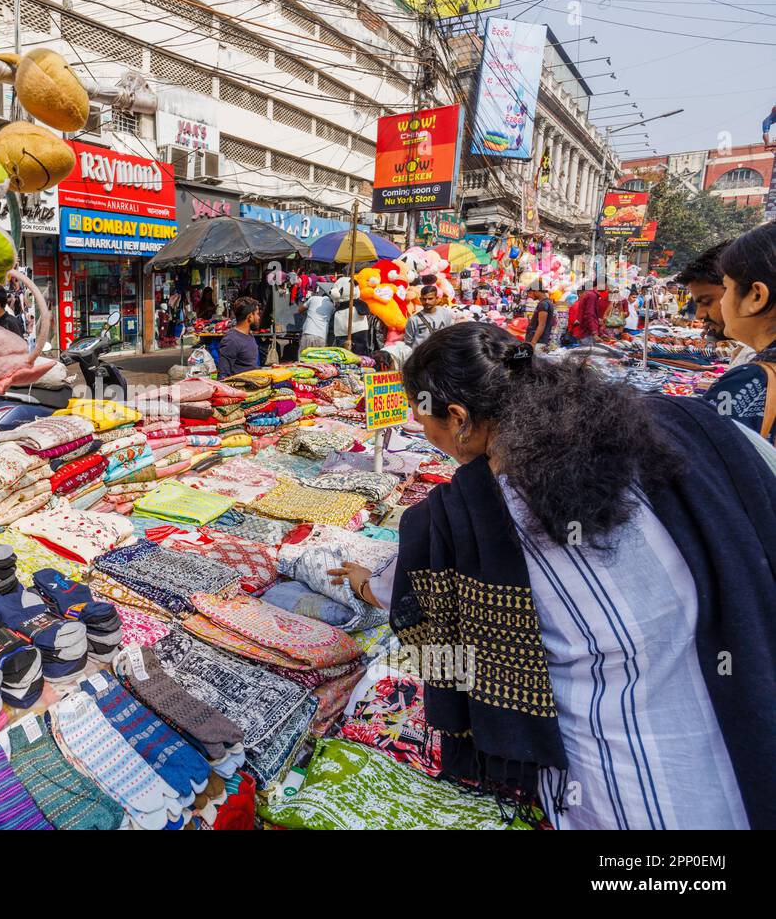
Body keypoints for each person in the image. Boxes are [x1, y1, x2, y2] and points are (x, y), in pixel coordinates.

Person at [331, 322, 776, 829]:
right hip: (751, 724)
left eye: (421, 414)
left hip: (624, 783)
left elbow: (413, 611)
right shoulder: (684, 424)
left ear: (457, 418)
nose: (420, 428)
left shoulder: (465, 518)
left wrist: (363, 581)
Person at [702, 223, 776, 444]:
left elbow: (706, 458)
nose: (722, 302)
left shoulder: (750, 380)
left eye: (727, 288)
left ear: (756, 297)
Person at [677, 241, 752, 362]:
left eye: (707, 302)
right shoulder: (751, 354)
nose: (699, 315)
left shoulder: (763, 365)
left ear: (756, 295)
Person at [216, 296, 262, 378]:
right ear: (250, 317)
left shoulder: (248, 335)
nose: (259, 318)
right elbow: (223, 374)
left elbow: (249, 366)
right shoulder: (231, 340)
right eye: (257, 314)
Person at [402, 284, 454, 349]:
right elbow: (408, 342)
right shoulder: (413, 319)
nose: (427, 302)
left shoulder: (445, 313)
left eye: (430, 299)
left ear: (437, 299)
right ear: (420, 299)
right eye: (424, 299)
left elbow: (449, 333)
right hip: (421, 356)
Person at [297, 284, 334, 350]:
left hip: (308, 333)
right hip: (321, 336)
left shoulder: (313, 298)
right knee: (318, 359)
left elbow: (300, 310)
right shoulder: (332, 307)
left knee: (304, 358)